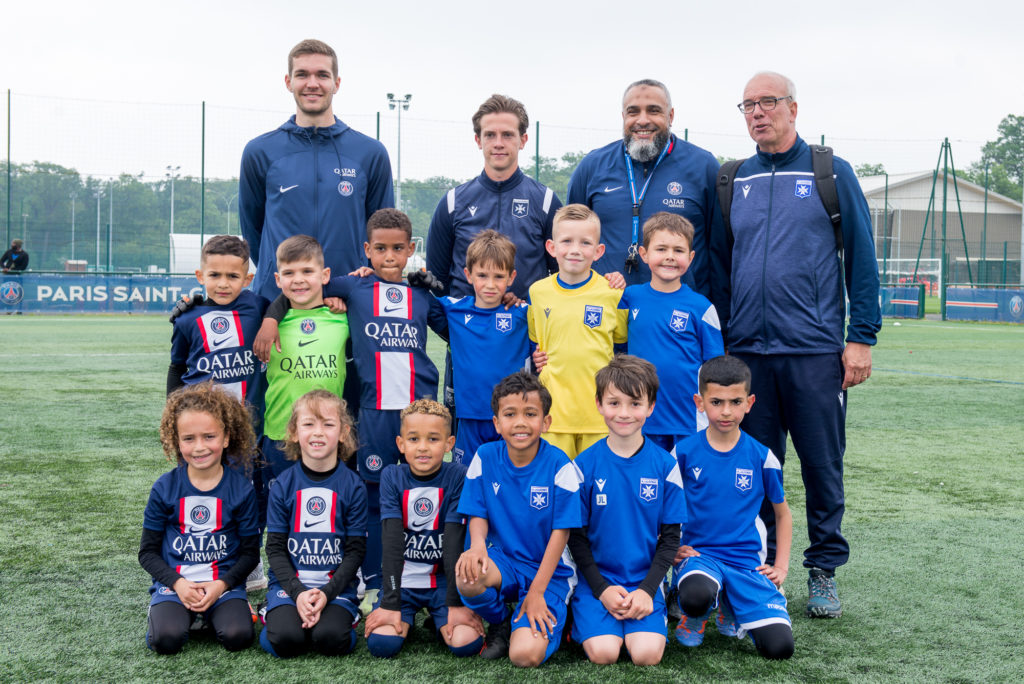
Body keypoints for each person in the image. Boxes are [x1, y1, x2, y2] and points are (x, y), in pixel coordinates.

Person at [709, 71, 881, 618]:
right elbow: (718, 267)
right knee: (754, 469)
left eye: (768, 102)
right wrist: (719, 344)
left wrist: (860, 338)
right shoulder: (732, 179)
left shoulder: (831, 172)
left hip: (814, 351)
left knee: (822, 464)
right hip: (747, 357)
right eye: (748, 105)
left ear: (793, 107)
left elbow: (862, 260)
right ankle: (753, 570)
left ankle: (823, 569)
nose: (758, 113)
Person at [256, 208, 447, 612]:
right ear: (367, 251)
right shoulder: (353, 287)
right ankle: (377, 580)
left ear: (411, 249)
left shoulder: (420, 295)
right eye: (380, 248)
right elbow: (296, 288)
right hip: (373, 413)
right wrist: (272, 320)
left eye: (399, 248)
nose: (390, 256)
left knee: (428, 491)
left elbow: (458, 326)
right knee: (376, 496)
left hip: (419, 412)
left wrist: (439, 290)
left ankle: (430, 574)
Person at [239, 38, 393, 301]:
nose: (312, 83)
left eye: (322, 75)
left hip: (349, 301)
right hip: (277, 304)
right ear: (288, 82)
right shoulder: (259, 151)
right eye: (302, 75)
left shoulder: (370, 153)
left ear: (337, 83)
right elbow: (253, 230)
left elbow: (382, 233)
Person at [455, 371, 583, 667]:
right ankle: (501, 621)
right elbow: (477, 512)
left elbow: (561, 535)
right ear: (497, 423)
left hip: (550, 572)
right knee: (468, 575)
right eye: (510, 414)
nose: (521, 422)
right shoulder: (485, 456)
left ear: (546, 422)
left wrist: (537, 592)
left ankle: (554, 614)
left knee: (524, 656)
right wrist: (476, 547)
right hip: (505, 562)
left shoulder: (560, 465)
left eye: (530, 413)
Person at [672, 355, 794, 660]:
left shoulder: (762, 457)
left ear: (749, 402)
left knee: (780, 649)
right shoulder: (683, 452)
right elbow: (663, 508)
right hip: (700, 558)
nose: (726, 411)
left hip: (745, 562)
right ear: (700, 402)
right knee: (696, 595)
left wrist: (781, 566)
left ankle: (731, 603)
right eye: (716, 402)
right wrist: (672, 547)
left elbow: (783, 514)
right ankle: (697, 613)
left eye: (735, 402)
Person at [569, 355, 685, 667]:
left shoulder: (665, 465)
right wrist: (601, 589)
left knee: (646, 656)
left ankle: (651, 605)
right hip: (597, 581)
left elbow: (671, 539)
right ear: (598, 404)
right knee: (604, 654)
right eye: (614, 403)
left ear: (651, 407)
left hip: (644, 581)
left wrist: (648, 590)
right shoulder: (583, 466)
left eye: (635, 404)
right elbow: (575, 538)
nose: (624, 413)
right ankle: (581, 615)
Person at [140, 382, 260, 655]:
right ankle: (170, 611)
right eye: (189, 438)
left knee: (238, 636)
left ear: (226, 438)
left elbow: (250, 553)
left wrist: (221, 585)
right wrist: (178, 584)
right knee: (166, 640)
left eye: (209, 436)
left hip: (222, 584)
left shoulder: (240, 489)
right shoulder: (164, 487)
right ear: (176, 440)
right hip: (176, 585)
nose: (199, 447)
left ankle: (226, 609)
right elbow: (147, 553)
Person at [567, 79, 721, 291]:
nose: (642, 120)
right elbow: (569, 238)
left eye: (654, 111)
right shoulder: (592, 166)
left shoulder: (704, 167)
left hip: (678, 314)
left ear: (671, 116)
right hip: (606, 310)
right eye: (633, 112)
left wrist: (720, 316)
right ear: (623, 117)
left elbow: (719, 251)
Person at [364, 399, 485, 658]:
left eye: (433, 439)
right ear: (401, 444)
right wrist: (390, 602)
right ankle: (406, 615)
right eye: (414, 439)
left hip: (441, 580)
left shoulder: (457, 475)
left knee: (466, 643)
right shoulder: (391, 476)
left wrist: (454, 603)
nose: (422, 448)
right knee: (381, 645)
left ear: (449, 444)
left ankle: (438, 615)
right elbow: (393, 543)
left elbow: (453, 543)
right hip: (402, 579)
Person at [259, 390, 366, 658]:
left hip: (336, 587)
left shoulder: (353, 486)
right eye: (309, 424)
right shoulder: (283, 485)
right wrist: (297, 594)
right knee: (285, 641)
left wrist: (327, 593)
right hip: (290, 586)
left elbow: (355, 551)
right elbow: (275, 549)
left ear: (343, 432)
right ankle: (275, 616)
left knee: (330, 640)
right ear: (294, 432)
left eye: (328, 424)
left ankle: (339, 618)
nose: (318, 432)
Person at [426, 94, 560, 301]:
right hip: (467, 329)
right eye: (490, 135)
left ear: (522, 140)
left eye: (507, 135)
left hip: (525, 329)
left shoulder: (545, 202)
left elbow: (561, 273)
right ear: (478, 140)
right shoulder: (453, 202)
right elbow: (438, 277)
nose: (498, 143)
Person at [618, 213, 723, 454]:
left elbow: (715, 368)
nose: (669, 257)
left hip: (687, 418)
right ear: (644, 254)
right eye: (661, 249)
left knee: (687, 487)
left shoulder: (702, 307)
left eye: (678, 250)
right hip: (640, 417)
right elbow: (616, 347)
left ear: (691, 257)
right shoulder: (629, 298)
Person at [528, 204, 627, 459]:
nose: (575, 250)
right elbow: (537, 345)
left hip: (599, 416)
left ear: (598, 251)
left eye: (585, 243)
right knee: (558, 489)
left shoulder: (611, 293)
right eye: (567, 241)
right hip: (554, 416)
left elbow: (622, 347)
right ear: (551, 247)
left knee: (598, 491)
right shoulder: (538, 293)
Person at [437, 230, 531, 463]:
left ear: (511, 278)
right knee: (467, 482)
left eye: (499, 277)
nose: (490, 285)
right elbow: (415, 300)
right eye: (482, 275)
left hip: (513, 416)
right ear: (468, 275)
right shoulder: (453, 308)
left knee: (512, 480)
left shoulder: (523, 313)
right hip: (469, 418)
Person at [167, 235, 267, 404]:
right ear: (200, 276)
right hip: (202, 417)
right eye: (214, 275)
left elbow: (289, 304)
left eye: (232, 276)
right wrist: (172, 411)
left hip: (252, 421)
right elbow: (177, 367)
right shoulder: (186, 318)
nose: (223, 284)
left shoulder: (257, 306)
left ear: (247, 279)